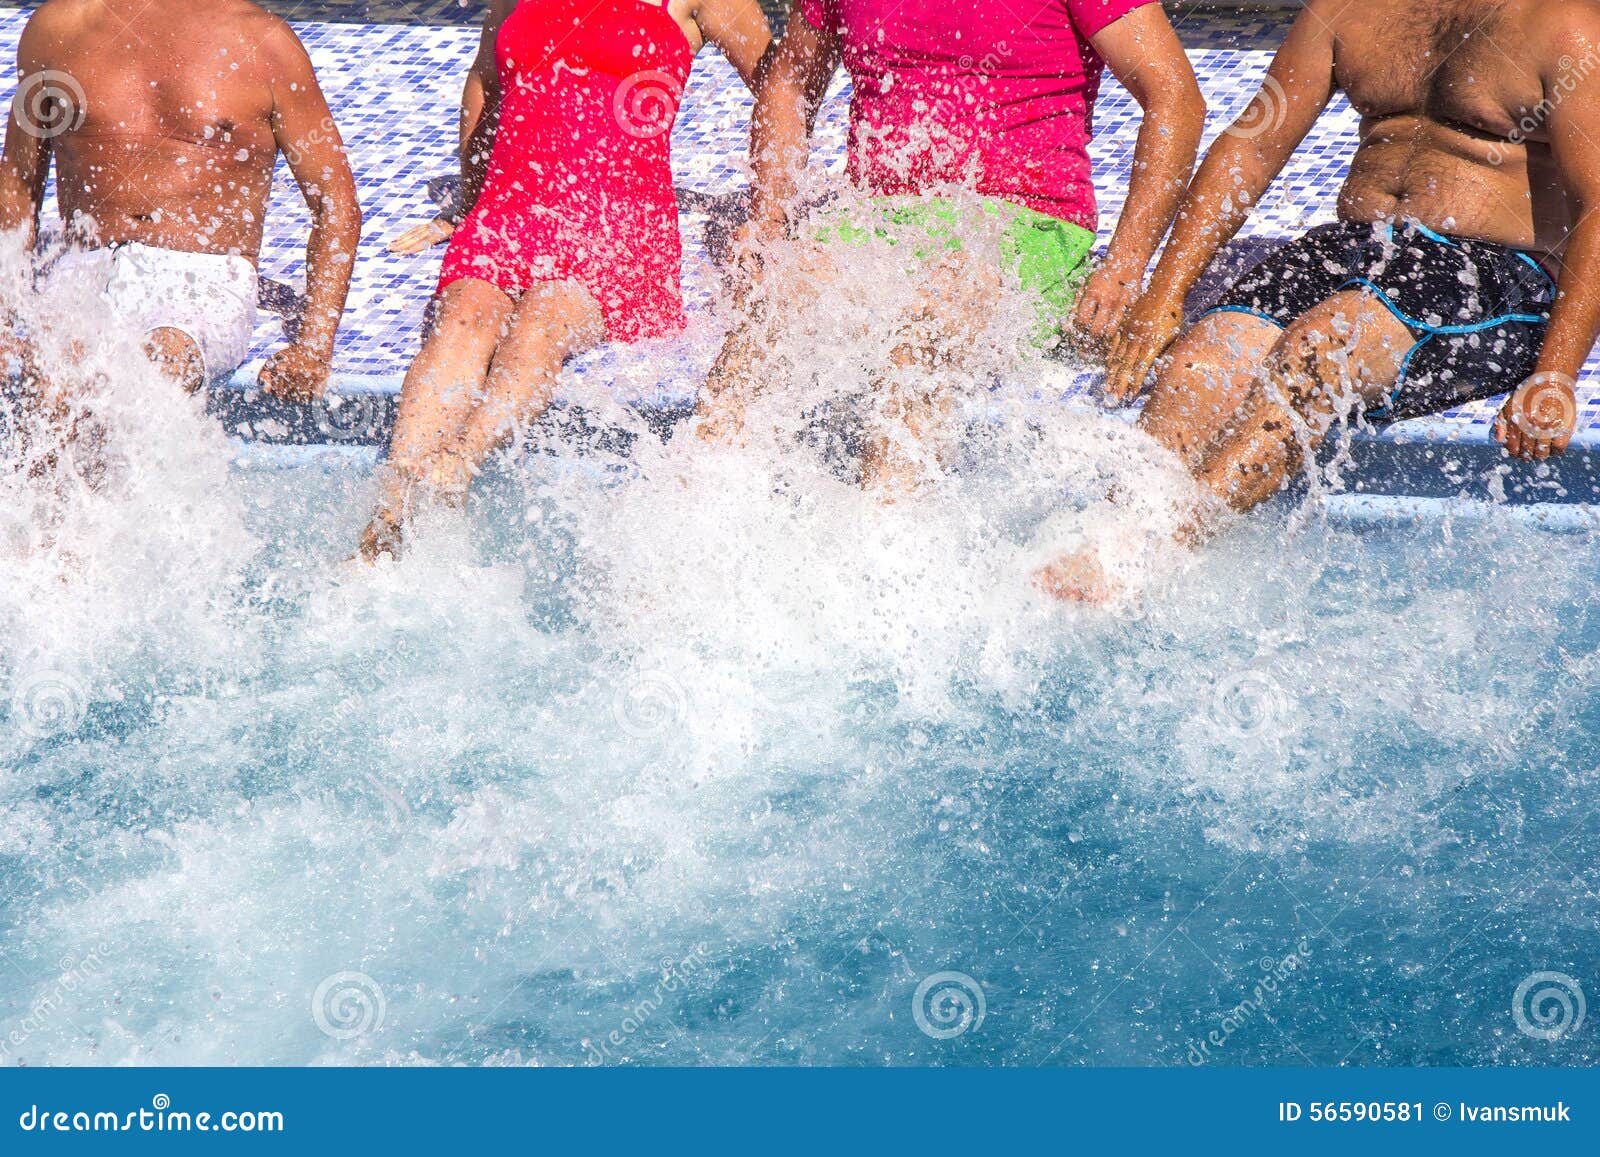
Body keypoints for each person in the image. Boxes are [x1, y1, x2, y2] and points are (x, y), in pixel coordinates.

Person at [1039, 0, 1600, 603]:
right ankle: (1101, 549)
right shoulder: (1348, 10)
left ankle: (1156, 552)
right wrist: (1164, 294)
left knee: (1319, 349)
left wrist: (1556, 375)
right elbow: (1252, 148)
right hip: (1351, 247)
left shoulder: (1563, 24)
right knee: (1197, 365)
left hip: (1491, 269)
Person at [694, 0, 1207, 489]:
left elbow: (1175, 98)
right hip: (875, 218)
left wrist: (1123, 267)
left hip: (1024, 224)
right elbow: (789, 82)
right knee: (774, 306)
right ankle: (697, 511)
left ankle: (889, 527)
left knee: (933, 317)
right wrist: (768, 218)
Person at [361, 0, 773, 561]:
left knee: (545, 319)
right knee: (461, 320)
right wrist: (469, 199)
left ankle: (456, 465)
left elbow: (782, 86)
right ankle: (386, 520)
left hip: (617, 227)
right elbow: (486, 76)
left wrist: (768, 207)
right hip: (510, 207)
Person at [0, 0, 360, 400]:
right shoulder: (56, 28)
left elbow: (335, 201)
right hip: (85, 270)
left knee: (164, 363)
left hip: (203, 281)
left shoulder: (264, 43)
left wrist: (314, 348)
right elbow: (17, 184)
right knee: (52, 377)